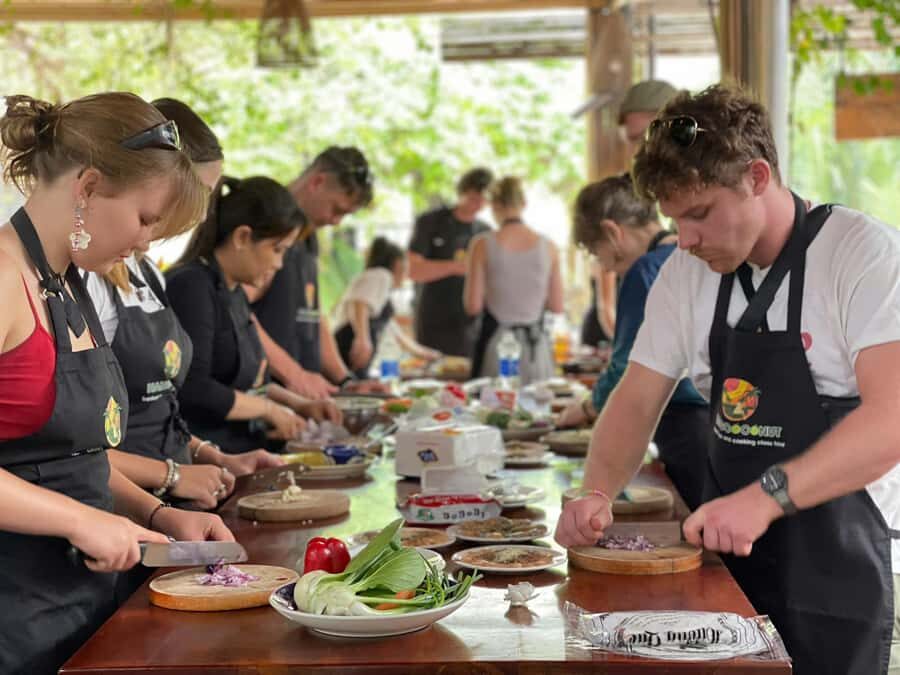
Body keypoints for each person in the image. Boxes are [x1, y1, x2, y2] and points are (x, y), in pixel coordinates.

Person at [555, 84, 900, 675]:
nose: (683, 240)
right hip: (727, 568)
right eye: (674, 220)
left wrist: (765, 498)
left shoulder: (859, 254)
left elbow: (891, 418)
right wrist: (595, 492)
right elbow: (636, 399)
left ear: (758, 177)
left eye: (698, 214)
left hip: (841, 570)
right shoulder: (688, 275)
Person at [0, 92, 233, 675]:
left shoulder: (69, 284)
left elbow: (71, 457)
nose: (146, 242)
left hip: (85, 606)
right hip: (14, 619)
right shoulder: (4, 280)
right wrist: (79, 520)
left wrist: (156, 516)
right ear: (88, 187)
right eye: (145, 218)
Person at [85, 99, 282, 517]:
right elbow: (75, 449)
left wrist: (212, 457)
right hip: (123, 512)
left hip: (170, 502)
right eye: (200, 197)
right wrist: (170, 477)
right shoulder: (85, 279)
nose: (203, 215)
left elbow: (158, 408)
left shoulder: (149, 274)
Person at [556, 174, 708, 510]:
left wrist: (585, 407)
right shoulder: (694, 258)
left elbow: (627, 366)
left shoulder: (644, 271)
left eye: (599, 254)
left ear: (612, 232)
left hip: (683, 424)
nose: (606, 267)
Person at [168, 176, 340, 454]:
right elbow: (194, 388)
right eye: (277, 249)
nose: (279, 263)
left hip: (248, 449)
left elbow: (249, 382)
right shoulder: (192, 286)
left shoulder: (234, 291)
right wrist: (269, 410)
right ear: (242, 237)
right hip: (211, 457)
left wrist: (299, 404)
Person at [248, 147, 378, 397]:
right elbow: (239, 315)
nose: (336, 221)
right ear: (317, 182)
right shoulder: (264, 221)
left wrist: (345, 382)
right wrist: (295, 375)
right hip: (264, 396)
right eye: (337, 209)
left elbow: (313, 315)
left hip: (301, 400)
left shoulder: (310, 240)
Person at [464, 176, 562, 384]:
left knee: (496, 411)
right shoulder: (549, 247)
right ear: (523, 204)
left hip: (498, 346)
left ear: (494, 205)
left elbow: (473, 306)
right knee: (538, 412)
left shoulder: (481, 244)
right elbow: (557, 306)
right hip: (537, 346)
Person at [409, 167, 494, 358]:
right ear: (462, 192)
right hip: (433, 318)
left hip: (470, 323)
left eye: (483, 200)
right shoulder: (430, 222)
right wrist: (457, 267)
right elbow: (413, 270)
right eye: (473, 198)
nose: (478, 204)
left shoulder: (485, 232)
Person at [333, 236, 440, 378]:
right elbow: (359, 303)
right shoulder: (381, 275)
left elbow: (393, 328)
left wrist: (423, 352)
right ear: (397, 263)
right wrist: (362, 339)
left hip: (351, 347)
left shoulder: (378, 283)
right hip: (348, 345)